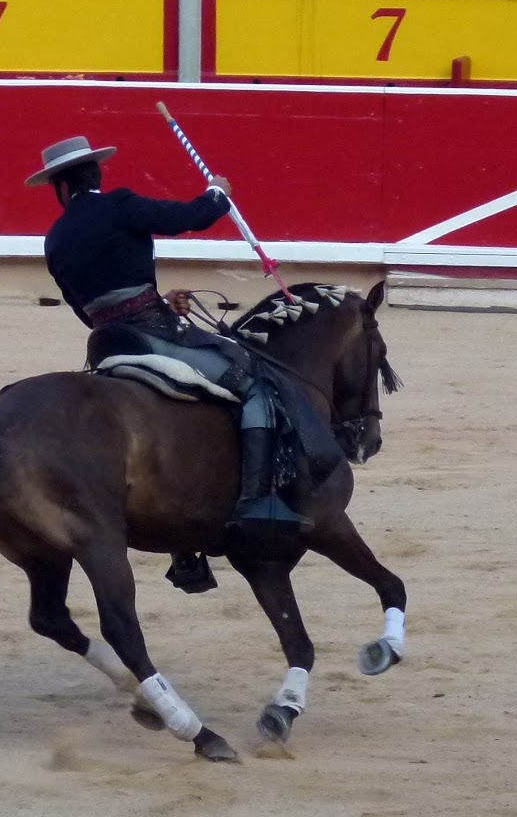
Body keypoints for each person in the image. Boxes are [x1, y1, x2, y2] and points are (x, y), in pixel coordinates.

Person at [27, 136, 308, 581]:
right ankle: (256, 501)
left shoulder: (55, 238)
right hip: (152, 332)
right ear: (96, 176)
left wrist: (153, 301)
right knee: (252, 380)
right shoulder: (119, 205)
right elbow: (190, 217)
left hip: (105, 343)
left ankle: (186, 545)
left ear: (60, 188)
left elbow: (85, 306)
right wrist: (217, 193)